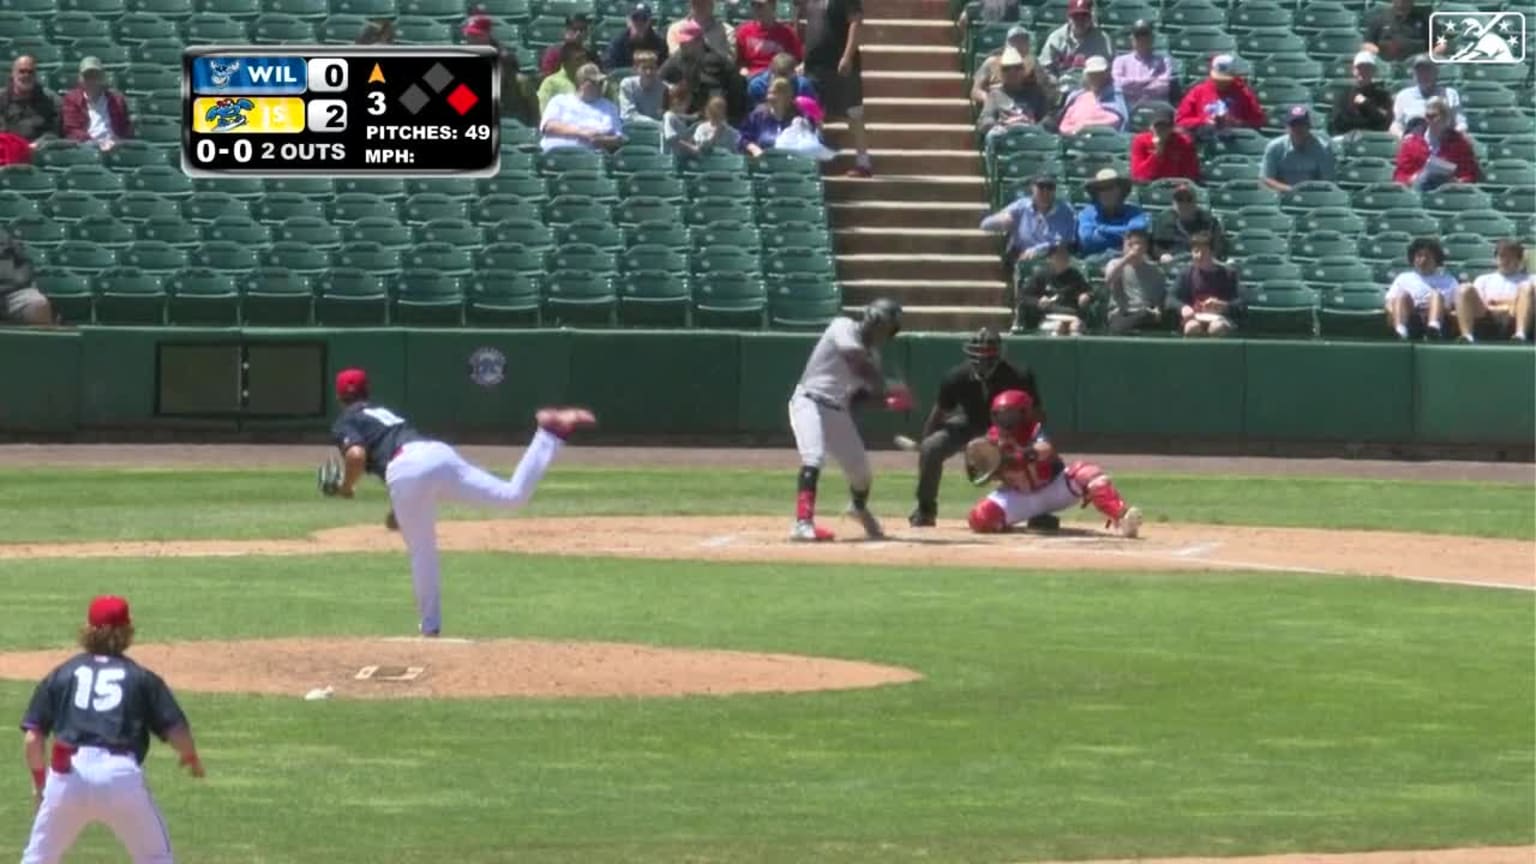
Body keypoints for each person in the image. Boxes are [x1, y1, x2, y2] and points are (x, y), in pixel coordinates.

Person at [326, 368, 596, 635]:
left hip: (405, 469)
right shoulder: (383, 414)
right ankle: (549, 434)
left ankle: (430, 627)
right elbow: (411, 473)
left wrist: (346, 487)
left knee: (423, 551)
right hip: (436, 453)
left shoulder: (346, 421)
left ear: (339, 397)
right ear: (367, 392)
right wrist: (399, 512)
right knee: (511, 496)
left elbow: (357, 456)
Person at [19, 595, 205, 864]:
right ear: (127, 631)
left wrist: (40, 786)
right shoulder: (141, 677)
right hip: (120, 777)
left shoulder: (62, 673)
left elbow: (32, 738)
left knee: (39, 857)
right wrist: (190, 757)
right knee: (154, 856)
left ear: (87, 628)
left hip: (67, 774)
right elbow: (178, 732)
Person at [788, 299, 910, 542]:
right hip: (809, 401)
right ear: (871, 319)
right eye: (884, 327)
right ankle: (803, 523)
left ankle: (858, 508)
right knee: (814, 457)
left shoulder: (873, 357)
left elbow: (858, 399)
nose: (884, 334)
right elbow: (856, 361)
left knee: (862, 474)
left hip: (837, 411)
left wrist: (888, 402)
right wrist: (887, 388)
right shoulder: (842, 326)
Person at [908, 327, 1044, 528]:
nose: (983, 360)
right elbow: (939, 412)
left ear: (999, 353)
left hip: (1007, 426)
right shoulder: (956, 376)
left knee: (1035, 455)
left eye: (988, 354)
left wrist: (1034, 442)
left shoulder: (1019, 375)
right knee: (932, 447)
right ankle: (925, 509)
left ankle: (1039, 511)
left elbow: (1036, 413)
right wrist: (926, 443)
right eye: (979, 354)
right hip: (969, 422)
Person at [965, 389, 1142, 537]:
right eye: (1001, 415)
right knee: (979, 519)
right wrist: (990, 468)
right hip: (1019, 496)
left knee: (1087, 472)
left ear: (1024, 413)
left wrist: (1022, 456)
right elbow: (980, 474)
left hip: (1054, 488)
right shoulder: (992, 440)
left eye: (1010, 415)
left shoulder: (1034, 429)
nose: (1006, 420)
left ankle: (1121, 516)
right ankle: (1029, 520)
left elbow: (1046, 449)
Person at [801, 0, 870, 177]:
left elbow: (855, 24)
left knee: (854, 112)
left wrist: (847, 56)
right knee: (812, 111)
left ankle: (863, 163)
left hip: (840, 64)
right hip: (815, 64)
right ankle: (813, 160)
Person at [979, 174, 1077, 268]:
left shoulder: (1065, 211)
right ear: (1032, 188)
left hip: (1053, 258)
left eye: (1050, 187)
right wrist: (1002, 221)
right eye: (1041, 186)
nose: (1045, 191)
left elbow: (1061, 242)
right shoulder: (1021, 206)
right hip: (1021, 257)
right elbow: (985, 224)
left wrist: (1036, 251)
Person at [1456, 239, 1533, 342]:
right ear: (1496, 259)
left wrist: (1502, 304)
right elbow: (1479, 305)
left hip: (1515, 318)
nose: (1505, 260)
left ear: (1519, 260)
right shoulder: (1483, 279)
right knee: (1464, 288)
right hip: (1486, 318)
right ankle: (1466, 335)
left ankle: (1520, 334)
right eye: (1502, 256)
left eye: (1510, 257)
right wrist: (1504, 305)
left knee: (1526, 287)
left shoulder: (1530, 279)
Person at [1393, 96, 1478, 189]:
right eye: (1427, 116)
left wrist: (1457, 182)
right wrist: (1412, 178)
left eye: (1433, 116)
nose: (1429, 120)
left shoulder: (1460, 144)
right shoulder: (1411, 143)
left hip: (1449, 196)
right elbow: (1399, 176)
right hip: (1418, 193)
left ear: (1446, 118)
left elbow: (1470, 175)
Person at [539, 63, 624, 152]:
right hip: (555, 155)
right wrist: (583, 133)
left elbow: (618, 138)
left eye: (601, 83)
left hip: (593, 158)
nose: (600, 86)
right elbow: (549, 127)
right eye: (595, 82)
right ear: (582, 83)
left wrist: (601, 140)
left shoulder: (609, 107)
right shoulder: (559, 101)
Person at [1386, 237, 1457, 339]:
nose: (1423, 260)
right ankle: (1400, 331)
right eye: (1419, 256)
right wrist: (1395, 313)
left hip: (1441, 318)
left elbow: (1456, 306)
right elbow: (1389, 302)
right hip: (1411, 317)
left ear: (1436, 259)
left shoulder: (1449, 280)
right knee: (1402, 295)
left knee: (1436, 294)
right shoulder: (1403, 278)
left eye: (1427, 256)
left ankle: (1433, 329)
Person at [1174, 54, 1263, 134]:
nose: (1221, 83)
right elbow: (1181, 120)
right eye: (1217, 80)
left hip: (1234, 140)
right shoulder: (1199, 91)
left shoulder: (1244, 94)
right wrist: (1203, 121)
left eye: (1225, 80)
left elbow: (1257, 122)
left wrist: (1236, 123)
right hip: (1206, 138)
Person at [1173, 231, 1241, 337]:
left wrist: (1223, 305)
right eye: (1196, 251)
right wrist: (1183, 307)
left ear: (1212, 253)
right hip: (1195, 317)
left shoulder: (1228, 274)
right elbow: (1171, 298)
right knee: (1191, 328)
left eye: (1204, 252)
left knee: (1216, 328)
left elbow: (1241, 302)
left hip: (1220, 318)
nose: (1199, 256)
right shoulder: (1186, 273)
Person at [975, 47, 1051, 138]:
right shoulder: (995, 95)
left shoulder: (1036, 93)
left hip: (1031, 134)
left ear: (1023, 71)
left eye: (1017, 68)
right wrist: (999, 125)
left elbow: (1047, 117)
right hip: (1005, 135)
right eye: (1007, 69)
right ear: (1001, 73)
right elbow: (984, 120)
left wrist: (1035, 125)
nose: (1012, 72)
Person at [1103, 228, 1168, 333]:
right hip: (1121, 314)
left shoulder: (1155, 270)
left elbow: (1159, 298)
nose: (1134, 249)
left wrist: (1157, 309)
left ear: (1145, 247)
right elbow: (1109, 281)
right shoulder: (1115, 264)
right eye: (1129, 244)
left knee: (1150, 316)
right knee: (1119, 325)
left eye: (1138, 244)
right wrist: (1128, 258)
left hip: (1146, 314)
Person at [1018, 241, 1093, 334]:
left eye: (1065, 255)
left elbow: (1090, 292)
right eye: (1059, 255)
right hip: (1049, 316)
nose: (1063, 258)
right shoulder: (1041, 275)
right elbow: (1024, 297)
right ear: (1051, 258)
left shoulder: (1075, 275)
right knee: (1058, 327)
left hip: (1072, 315)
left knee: (1076, 327)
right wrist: (1038, 302)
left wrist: (1086, 296)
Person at [61, 57, 133, 151]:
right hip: (85, 148)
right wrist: (95, 143)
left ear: (102, 78)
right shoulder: (72, 100)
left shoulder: (117, 100)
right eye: (87, 76)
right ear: (80, 79)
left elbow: (124, 129)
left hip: (114, 147)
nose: (91, 81)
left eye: (95, 76)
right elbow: (72, 130)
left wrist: (117, 142)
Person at [1260, 106, 1337, 193]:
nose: (1298, 129)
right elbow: (1266, 179)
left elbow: (1327, 183)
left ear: (1309, 126)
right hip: (1281, 196)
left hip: (1313, 197)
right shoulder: (1275, 147)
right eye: (1293, 125)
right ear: (1287, 128)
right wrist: (1292, 190)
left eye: (1302, 124)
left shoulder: (1323, 148)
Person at [972, 26, 1052, 106]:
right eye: (1015, 41)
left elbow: (1045, 89)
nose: (1019, 45)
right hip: (997, 106)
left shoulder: (1034, 64)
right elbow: (976, 91)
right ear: (1006, 44)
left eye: (1023, 41)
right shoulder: (992, 62)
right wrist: (989, 100)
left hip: (1026, 106)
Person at [1076, 169, 1148, 256]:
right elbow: (1087, 240)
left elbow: (1136, 235)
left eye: (1110, 187)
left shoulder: (1134, 212)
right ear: (1096, 193)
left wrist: (1101, 229)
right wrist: (1123, 236)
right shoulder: (1086, 214)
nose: (1106, 192)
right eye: (1101, 189)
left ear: (1121, 190)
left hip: (1127, 260)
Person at [1390, 55, 1465, 136]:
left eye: (1428, 70)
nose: (1424, 74)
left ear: (1436, 72)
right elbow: (1396, 125)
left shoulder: (1450, 94)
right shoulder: (1403, 96)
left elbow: (1461, 124)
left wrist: (1452, 137)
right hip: (1414, 143)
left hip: (1444, 144)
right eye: (1419, 71)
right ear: (1413, 74)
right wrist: (1403, 137)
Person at [1151, 183, 1227, 261]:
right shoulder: (1163, 220)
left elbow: (1217, 248)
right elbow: (1156, 247)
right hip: (1173, 263)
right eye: (1180, 200)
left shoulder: (1209, 221)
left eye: (1189, 199)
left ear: (1195, 202)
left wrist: (1206, 258)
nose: (1184, 204)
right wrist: (1163, 255)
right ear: (1173, 203)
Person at [1054, 55, 1127, 135]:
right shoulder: (1077, 97)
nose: (1096, 77)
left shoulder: (1114, 96)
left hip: (1102, 141)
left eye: (1099, 74)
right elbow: (1064, 123)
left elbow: (1115, 121)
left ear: (1106, 74)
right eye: (1092, 74)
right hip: (1072, 140)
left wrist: (1085, 127)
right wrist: (1073, 131)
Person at [1111, 19, 1175, 111]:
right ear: (1132, 38)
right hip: (1127, 108)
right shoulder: (1120, 61)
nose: (1142, 39)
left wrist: (1132, 87)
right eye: (1138, 35)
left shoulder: (1164, 61)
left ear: (1152, 37)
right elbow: (1119, 84)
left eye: (1145, 35)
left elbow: (1163, 87)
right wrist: (1148, 81)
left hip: (1155, 109)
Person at [1038, 0, 1112, 76]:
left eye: (1084, 16)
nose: (1080, 21)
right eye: (1075, 17)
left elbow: (1110, 68)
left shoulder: (1103, 39)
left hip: (1093, 85)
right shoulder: (1056, 38)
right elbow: (1044, 69)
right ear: (1068, 18)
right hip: (1061, 84)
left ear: (1091, 18)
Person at [1329, 51, 1394, 136]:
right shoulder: (1343, 96)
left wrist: (1366, 104)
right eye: (1360, 68)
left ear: (1374, 71)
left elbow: (1385, 121)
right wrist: (1369, 119)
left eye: (1367, 68)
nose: (1363, 71)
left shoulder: (1383, 96)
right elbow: (1339, 123)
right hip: (1347, 139)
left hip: (1373, 140)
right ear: (1353, 71)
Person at [1129, 104, 1198, 182]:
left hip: (1174, 186)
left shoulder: (1184, 142)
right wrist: (1157, 153)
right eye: (1157, 126)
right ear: (1151, 127)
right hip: (1148, 186)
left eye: (1165, 127)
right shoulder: (1140, 141)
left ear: (1172, 127)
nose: (1160, 130)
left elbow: (1190, 174)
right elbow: (1138, 176)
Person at [0, 55, 59, 146]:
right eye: (22, 71)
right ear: (13, 74)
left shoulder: (49, 99)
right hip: (8, 150)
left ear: (36, 75)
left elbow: (54, 131)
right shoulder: (2, 99)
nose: (26, 75)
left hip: (40, 151)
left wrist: (38, 144)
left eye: (30, 72)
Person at [0, 227, 52, 325]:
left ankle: (41, 339)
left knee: (38, 304)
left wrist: (16, 281)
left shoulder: (3, 235)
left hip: (10, 291)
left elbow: (25, 263)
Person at [736, 0, 802, 76]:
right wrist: (743, 70)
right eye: (753, 4)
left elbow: (797, 61)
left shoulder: (788, 33)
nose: (756, 9)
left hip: (779, 78)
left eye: (760, 5)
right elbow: (740, 63)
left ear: (773, 6)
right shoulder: (744, 32)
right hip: (753, 77)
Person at [739, 76, 801, 156]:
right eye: (769, 93)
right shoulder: (757, 115)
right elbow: (743, 138)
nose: (770, 97)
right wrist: (754, 149)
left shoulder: (797, 117)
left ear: (787, 96)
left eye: (775, 93)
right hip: (763, 162)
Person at [604, 3, 668, 70]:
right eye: (635, 18)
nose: (639, 22)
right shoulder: (618, 43)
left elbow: (664, 71)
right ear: (628, 21)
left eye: (644, 19)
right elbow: (610, 68)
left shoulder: (659, 43)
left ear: (649, 21)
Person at [667, 0, 736, 62]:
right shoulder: (676, 29)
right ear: (690, 4)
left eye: (705, 2)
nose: (700, 5)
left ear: (712, 4)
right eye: (696, 2)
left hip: (715, 73)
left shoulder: (728, 31)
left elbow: (730, 62)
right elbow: (675, 59)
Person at [1363, 0, 1429, 62]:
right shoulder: (1380, 19)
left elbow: (1438, 45)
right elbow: (1367, 44)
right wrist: (1380, 54)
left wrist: (1427, 57)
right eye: (1399, 1)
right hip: (1387, 67)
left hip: (1419, 67)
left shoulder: (1424, 21)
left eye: (1405, 1)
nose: (1401, 4)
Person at [746, 53, 817, 110]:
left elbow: (813, 111)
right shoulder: (757, 85)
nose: (782, 79)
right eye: (779, 74)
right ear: (771, 71)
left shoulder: (802, 85)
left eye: (785, 75)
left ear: (793, 73)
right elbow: (753, 112)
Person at [537, 42, 592, 114]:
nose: (584, 62)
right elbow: (545, 114)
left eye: (585, 58)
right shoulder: (551, 83)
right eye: (578, 59)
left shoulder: (592, 82)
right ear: (565, 63)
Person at [619, 50, 666, 124]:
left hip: (656, 131)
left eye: (652, 68)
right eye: (644, 68)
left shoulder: (663, 88)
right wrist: (654, 123)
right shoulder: (627, 84)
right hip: (633, 128)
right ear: (636, 69)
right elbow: (628, 115)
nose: (649, 72)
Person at [661, 80, 699, 154]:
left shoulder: (679, 117)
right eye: (685, 101)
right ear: (674, 102)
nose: (688, 105)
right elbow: (671, 138)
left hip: (681, 157)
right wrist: (691, 147)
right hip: (670, 160)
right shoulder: (669, 116)